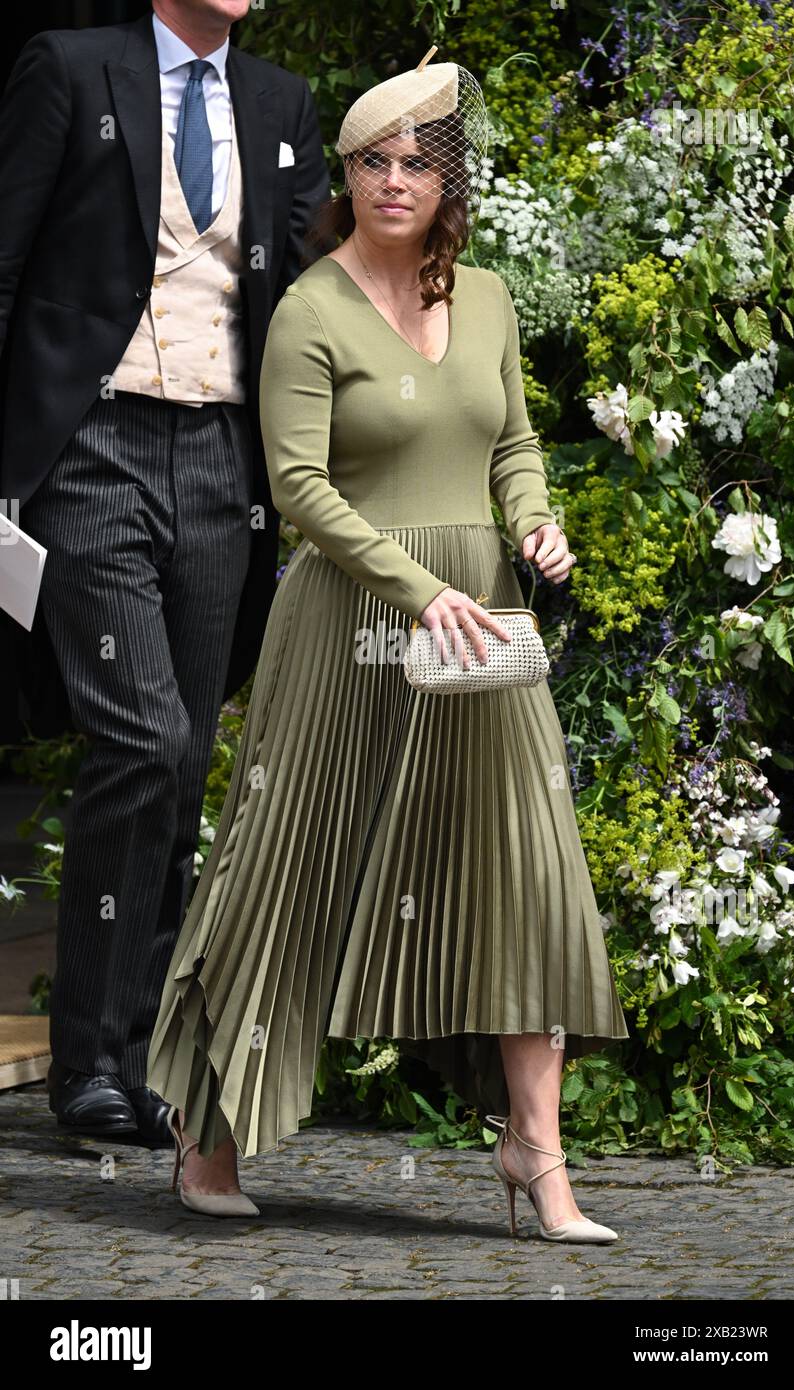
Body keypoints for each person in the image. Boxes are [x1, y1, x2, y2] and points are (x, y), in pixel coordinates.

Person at [147, 52, 629, 1239]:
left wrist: (534, 520)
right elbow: (299, 488)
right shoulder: (310, 310)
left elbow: (510, 442)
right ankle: (207, 1142)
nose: (396, 179)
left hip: (481, 627)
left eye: (419, 160)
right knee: (288, 867)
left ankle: (537, 1155)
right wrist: (417, 589)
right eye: (373, 160)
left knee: (526, 866)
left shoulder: (494, 296)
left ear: (449, 178)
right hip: (350, 628)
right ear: (346, 175)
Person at [0, 0, 331, 1145]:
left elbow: (298, 293)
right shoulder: (70, 66)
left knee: (185, 760)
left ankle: (140, 1062)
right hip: (90, 445)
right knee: (142, 733)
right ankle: (84, 1060)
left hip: (221, 461)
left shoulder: (281, 101)